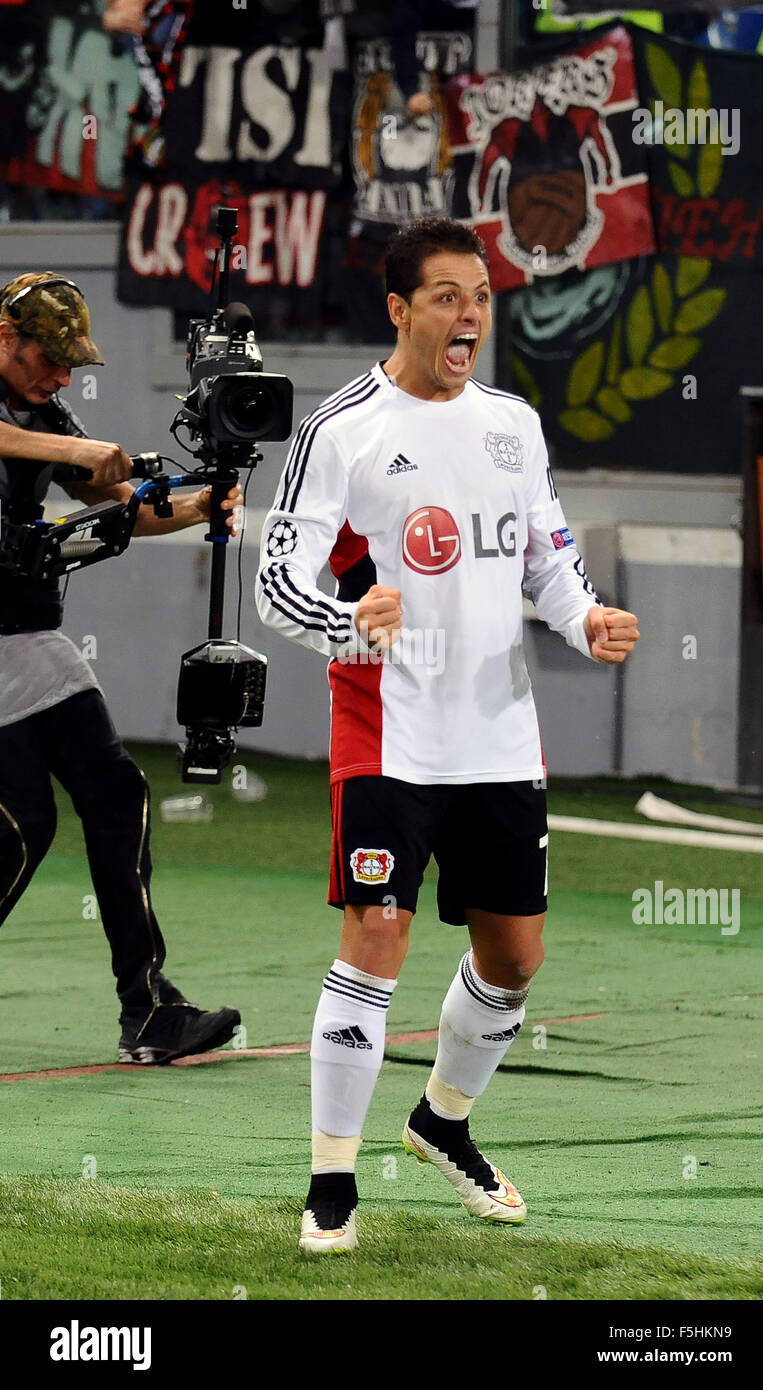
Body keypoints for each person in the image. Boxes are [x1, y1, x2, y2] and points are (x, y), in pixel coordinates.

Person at [256, 217, 641, 1252]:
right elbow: (274, 581)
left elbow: (547, 563)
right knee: (374, 936)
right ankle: (330, 1182)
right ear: (397, 307)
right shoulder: (338, 429)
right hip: (384, 725)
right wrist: (348, 624)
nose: (468, 312)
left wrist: (585, 615)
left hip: (498, 735)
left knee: (513, 958)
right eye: (445, 294)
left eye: (479, 293)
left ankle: (440, 1121)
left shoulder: (511, 425)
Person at [0, 271, 242, 1064]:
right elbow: (75, 458)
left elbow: (120, 495)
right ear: (8, 338)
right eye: (53, 359)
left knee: (115, 794)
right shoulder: (38, 423)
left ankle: (147, 1010)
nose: (64, 378)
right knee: (20, 829)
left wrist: (201, 500)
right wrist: (81, 451)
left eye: (73, 365)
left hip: (28, 639)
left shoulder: (42, 409)